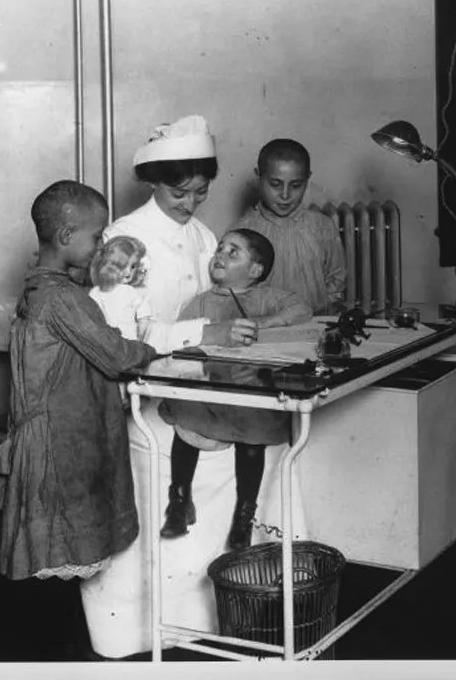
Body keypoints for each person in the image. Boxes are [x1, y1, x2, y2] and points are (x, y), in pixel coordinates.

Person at [0, 180, 158, 582]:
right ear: (66, 236)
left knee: (58, 545)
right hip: (62, 440)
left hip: (54, 430)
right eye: (97, 236)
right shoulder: (66, 299)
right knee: (66, 543)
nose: (101, 246)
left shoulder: (38, 287)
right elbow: (115, 355)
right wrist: (151, 350)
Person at [158, 228, 312, 549]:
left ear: (255, 271)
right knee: (185, 412)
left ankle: (244, 515)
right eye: (220, 249)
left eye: (233, 252)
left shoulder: (269, 297)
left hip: (250, 388)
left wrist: (262, 325)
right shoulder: (200, 302)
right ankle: (179, 500)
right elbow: (182, 339)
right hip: (211, 386)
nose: (220, 256)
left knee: (253, 424)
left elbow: (301, 310)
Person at [105, 115, 257, 352]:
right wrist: (203, 333)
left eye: (201, 192)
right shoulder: (121, 238)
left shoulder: (205, 237)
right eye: (179, 193)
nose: (190, 203)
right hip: (143, 375)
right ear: (153, 182)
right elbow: (119, 334)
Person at [233, 138, 347, 316]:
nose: (285, 195)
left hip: (314, 323)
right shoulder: (241, 231)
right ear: (259, 176)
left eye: (295, 185)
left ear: (307, 179)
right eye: (275, 184)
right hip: (265, 329)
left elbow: (336, 278)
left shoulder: (322, 226)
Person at [88, 234, 152, 342]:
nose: (128, 272)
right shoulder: (96, 293)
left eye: (133, 266)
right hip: (106, 342)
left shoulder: (131, 292)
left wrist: (140, 338)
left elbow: (144, 318)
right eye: (122, 265)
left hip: (128, 342)